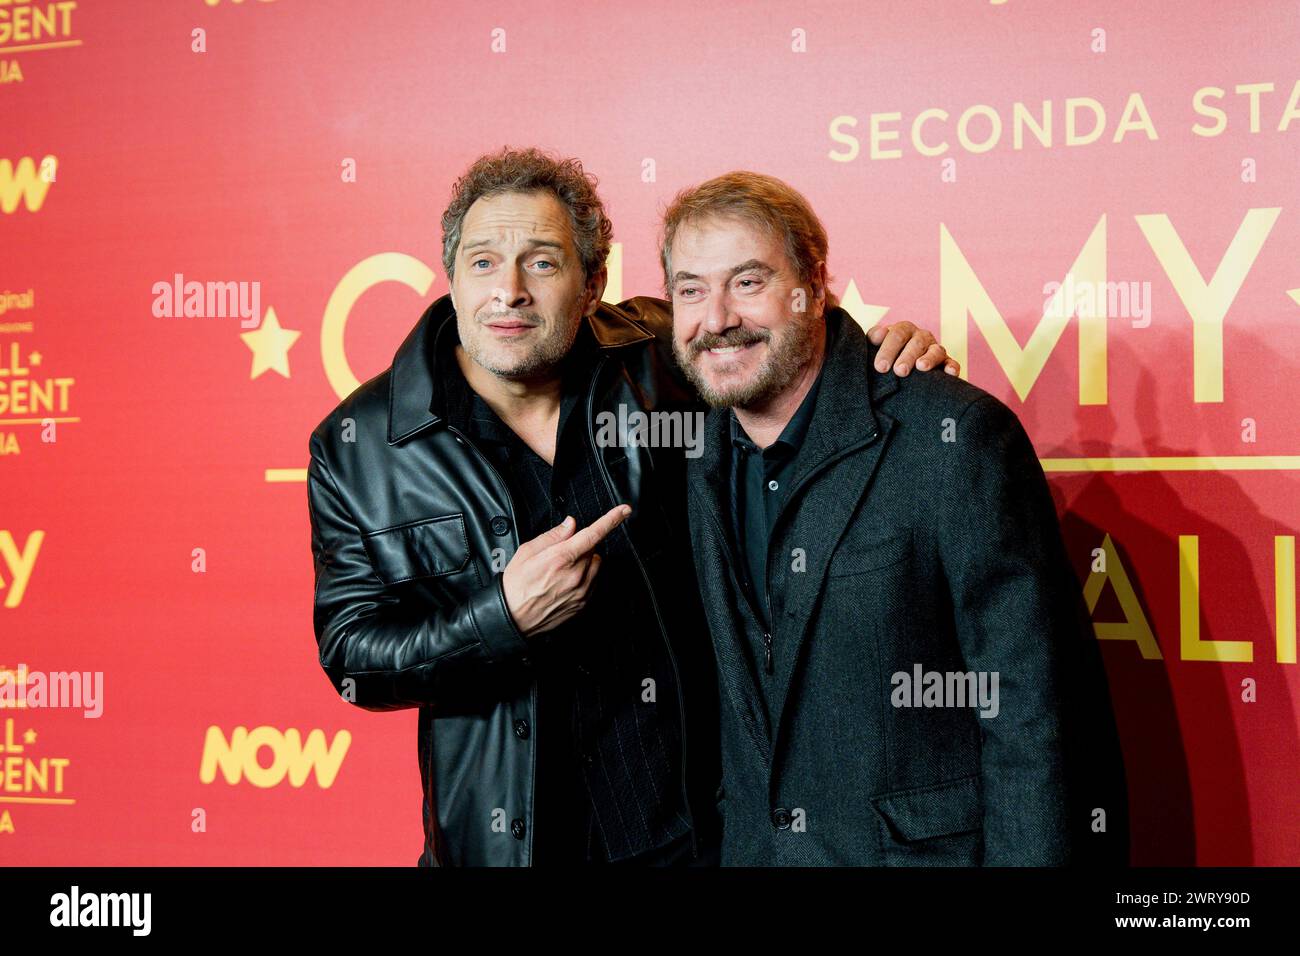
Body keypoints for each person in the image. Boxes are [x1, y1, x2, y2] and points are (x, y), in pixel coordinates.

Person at [306, 147, 954, 866]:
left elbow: (770, 345)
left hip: (695, 831)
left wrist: (876, 357)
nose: (510, 291)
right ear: (453, 280)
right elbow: (353, 657)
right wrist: (501, 618)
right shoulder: (361, 445)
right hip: (507, 848)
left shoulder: (655, 358)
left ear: (593, 284)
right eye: (483, 263)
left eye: (543, 262)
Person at [663, 170, 1130, 865]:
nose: (718, 316)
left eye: (749, 282)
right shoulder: (685, 455)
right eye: (691, 289)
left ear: (813, 283)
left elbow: (1033, 716)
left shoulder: (951, 436)